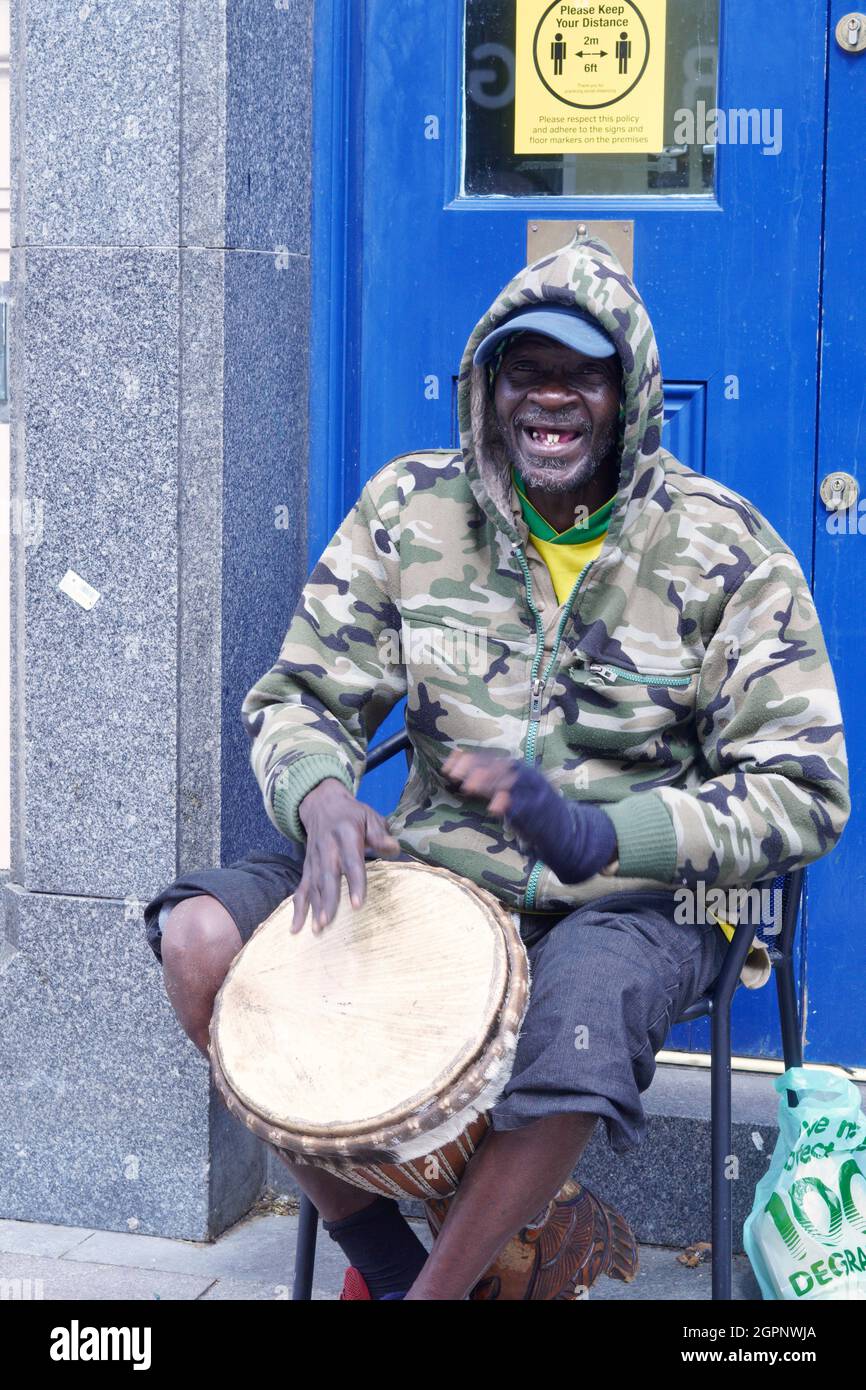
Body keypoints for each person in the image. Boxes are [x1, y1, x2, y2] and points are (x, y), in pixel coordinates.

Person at [143, 232, 850, 1301]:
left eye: (580, 375)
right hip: (434, 872)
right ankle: (400, 1257)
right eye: (526, 372)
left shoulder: (724, 549)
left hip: (636, 898)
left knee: (585, 1005)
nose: (550, 400)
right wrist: (321, 789)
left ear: (631, 393)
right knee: (202, 943)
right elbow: (299, 695)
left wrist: (609, 833)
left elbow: (804, 788)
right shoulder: (409, 509)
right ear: (487, 387)